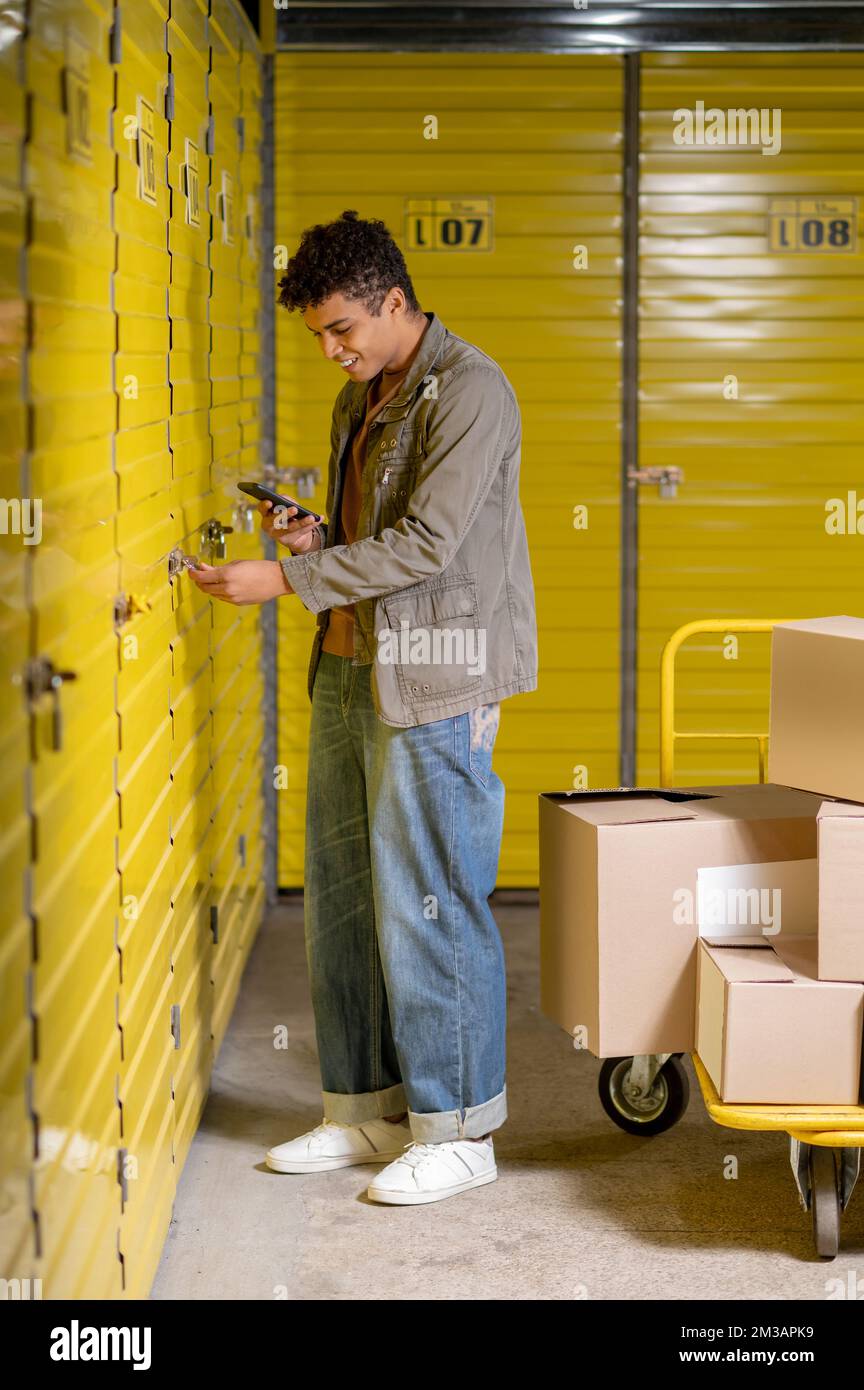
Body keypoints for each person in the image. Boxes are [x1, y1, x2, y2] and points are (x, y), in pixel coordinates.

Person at [189, 209, 538, 1206]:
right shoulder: (363, 397)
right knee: (346, 900)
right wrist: (312, 544)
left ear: (395, 301)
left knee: (432, 892)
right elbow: (364, 535)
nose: (333, 351)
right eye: (320, 338)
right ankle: (366, 1108)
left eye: (343, 329)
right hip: (353, 661)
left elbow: (427, 542)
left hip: (437, 669)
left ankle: (462, 1127)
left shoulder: (471, 390)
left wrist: (283, 583)